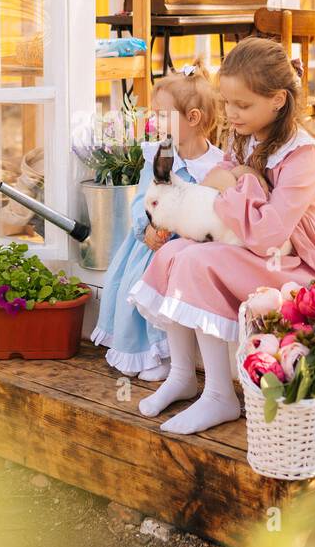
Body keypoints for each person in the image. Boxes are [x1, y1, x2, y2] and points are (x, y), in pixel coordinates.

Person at [128, 36, 315, 435]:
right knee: (173, 253)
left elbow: (270, 233)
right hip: (247, 242)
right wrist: (237, 180)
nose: (231, 114)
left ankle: (220, 395)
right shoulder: (246, 137)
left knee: (199, 262)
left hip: (294, 265)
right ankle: (184, 374)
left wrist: (238, 183)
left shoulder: (300, 158)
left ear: (278, 100)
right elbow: (222, 184)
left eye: (243, 105)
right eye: (228, 103)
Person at [90, 62, 223, 380]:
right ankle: (146, 354)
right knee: (136, 285)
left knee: (169, 291)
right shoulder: (160, 154)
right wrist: (146, 228)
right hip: (152, 241)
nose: (155, 120)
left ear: (192, 118)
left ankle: (168, 357)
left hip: (188, 246)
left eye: (164, 114)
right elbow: (142, 200)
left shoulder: (215, 166)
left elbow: (213, 210)